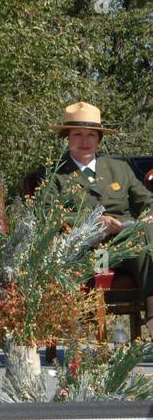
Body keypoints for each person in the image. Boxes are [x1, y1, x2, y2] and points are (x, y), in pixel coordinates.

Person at [24, 101, 153, 334]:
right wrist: (94, 223)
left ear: (99, 139)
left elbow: (147, 202)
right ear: (66, 138)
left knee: (147, 238)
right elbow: (46, 214)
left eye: (91, 135)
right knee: (146, 242)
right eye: (77, 134)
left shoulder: (119, 168)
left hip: (129, 241)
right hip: (89, 249)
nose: (85, 141)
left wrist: (148, 217)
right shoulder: (53, 173)